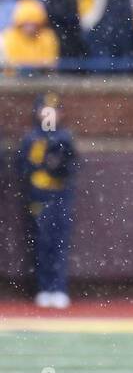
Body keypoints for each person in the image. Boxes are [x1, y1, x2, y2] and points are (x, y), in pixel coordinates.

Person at [18, 93, 76, 309]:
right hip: (38, 197)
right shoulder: (31, 138)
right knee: (41, 243)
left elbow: (70, 167)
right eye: (45, 110)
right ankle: (43, 287)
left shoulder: (64, 138)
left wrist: (58, 164)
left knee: (59, 244)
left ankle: (58, 288)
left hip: (59, 197)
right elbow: (24, 168)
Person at [1, 0, 58, 67]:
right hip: (14, 77)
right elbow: (9, 63)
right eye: (26, 23)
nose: (30, 27)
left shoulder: (47, 36)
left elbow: (51, 63)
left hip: (42, 77)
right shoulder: (8, 36)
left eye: (33, 23)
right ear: (20, 23)